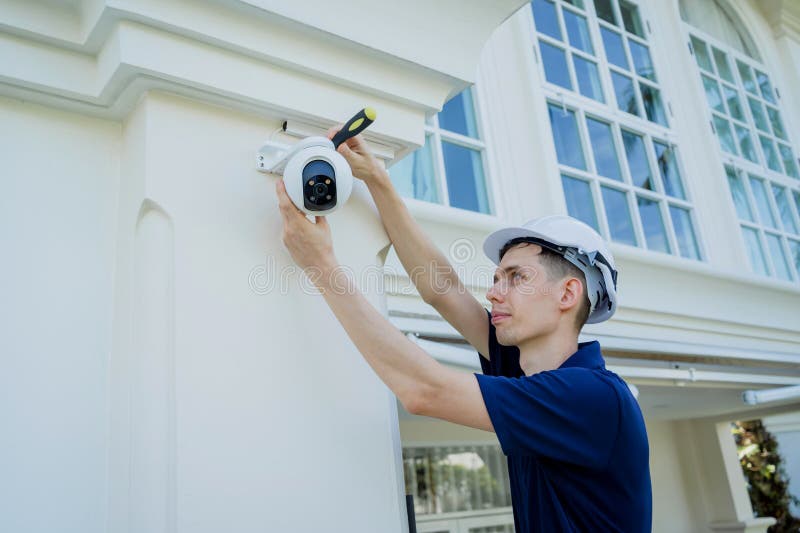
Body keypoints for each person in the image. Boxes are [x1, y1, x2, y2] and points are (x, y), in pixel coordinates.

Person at [274, 127, 652, 532]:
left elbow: (423, 390)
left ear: (567, 294)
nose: (493, 293)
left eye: (515, 277)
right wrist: (377, 180)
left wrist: (322, 267)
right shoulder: (527, 372)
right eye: (496, 278)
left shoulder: (593, 398)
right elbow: (444, 290)